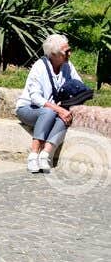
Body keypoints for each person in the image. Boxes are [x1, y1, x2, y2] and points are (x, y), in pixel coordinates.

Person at [16, 33, 90, 173]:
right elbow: (36, 99)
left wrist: (65, 105)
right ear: (54, 54)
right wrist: (58, 108)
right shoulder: (39, 67)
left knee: (65, 117)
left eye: (69, 50)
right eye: (66, 51)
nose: (70, 54)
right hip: (28, 109)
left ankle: (45, 155)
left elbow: (79, 84)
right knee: (50, 112)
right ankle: (33, 155)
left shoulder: (67, 66)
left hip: (50, 110)